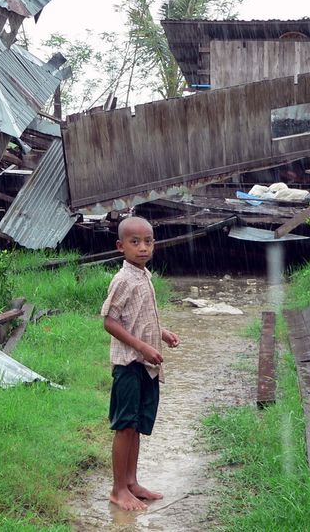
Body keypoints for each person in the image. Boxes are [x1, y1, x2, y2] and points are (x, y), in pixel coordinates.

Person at [101, 216, 180, 511]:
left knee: (136, 425)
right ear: (121, 246)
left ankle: (132, 482)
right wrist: (142, 347)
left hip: (146, 364)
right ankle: (118, 489)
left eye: (148, 241)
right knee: (124, 426)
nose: (143, 248)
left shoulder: (144, 275)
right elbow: (110, 321)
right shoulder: (123, 280)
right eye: (135, 242)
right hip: (129, 364)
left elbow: (140, 318)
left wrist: (162, 333)